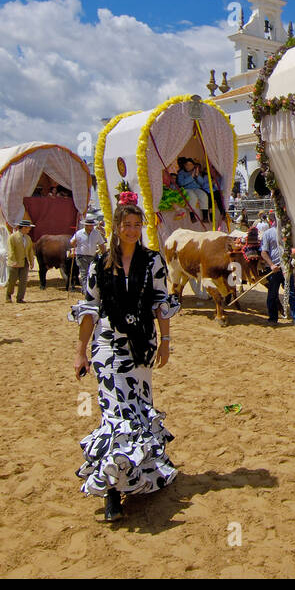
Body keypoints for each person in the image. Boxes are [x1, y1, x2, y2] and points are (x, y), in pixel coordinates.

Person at [71, 198, 180, 522]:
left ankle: (141, 474)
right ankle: (112, 493)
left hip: (142, 346)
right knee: (115, 414)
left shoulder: (153, 262)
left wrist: (165, 341)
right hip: (108, 347)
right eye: (126, 225)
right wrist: (80, 351)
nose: (131, 230)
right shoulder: (100, 264)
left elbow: (162, 302)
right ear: (116, 228)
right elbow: (90, 309)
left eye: (136, 225)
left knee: (138, 408)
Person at [69, 215, 106, 289]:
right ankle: (86, 291)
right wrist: (74, 241)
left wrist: (104, 254)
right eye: (89, 225)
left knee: (91, 274)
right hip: (81, 256)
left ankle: (88, 290)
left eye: (92, 225)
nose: (91, 227)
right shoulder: (79, 233)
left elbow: (101, 244)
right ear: (86, 225)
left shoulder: (96, 233)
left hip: (92, 256)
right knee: (84, 274)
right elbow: (72, 244)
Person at [260, 221, 285, 324]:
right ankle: (273, 318)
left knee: (292, 292)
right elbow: (263, 252)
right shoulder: (268, 233)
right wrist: (271, 265)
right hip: (274, 269)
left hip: (286, 267)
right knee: (272, 294)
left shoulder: (288, 231)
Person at [5, 220, 35, 303]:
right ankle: (8, 295)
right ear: (24, 228)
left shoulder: (28, 238)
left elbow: (30, 251)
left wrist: (31, 261)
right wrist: (14, 261)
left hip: (24, 262)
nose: (29, 229)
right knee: (12, 280)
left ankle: (20, 298)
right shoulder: (13, 237)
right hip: (15, 262)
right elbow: (11, 250)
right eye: (28, 228)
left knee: (23, 281)